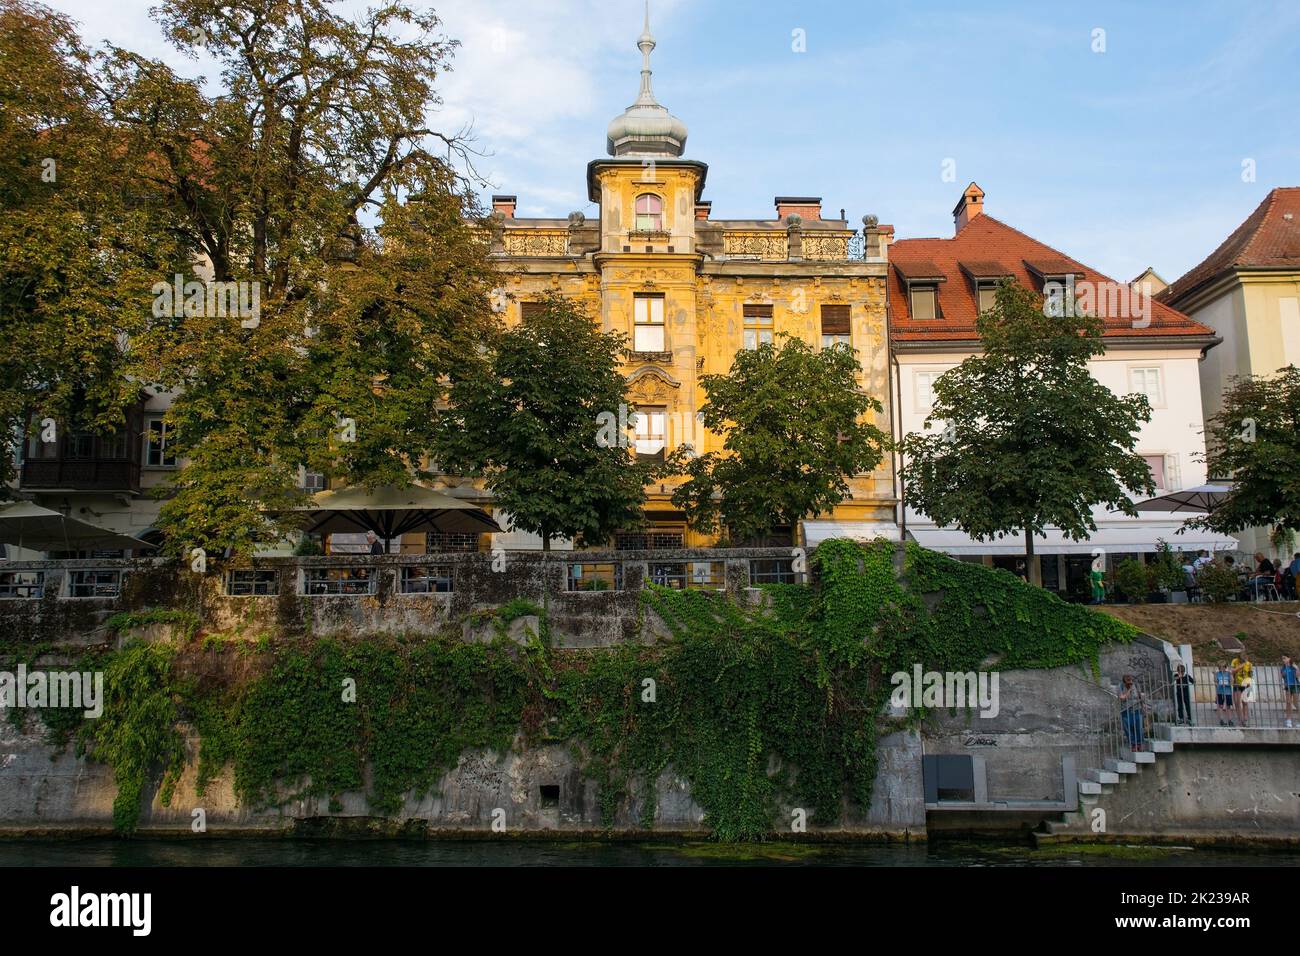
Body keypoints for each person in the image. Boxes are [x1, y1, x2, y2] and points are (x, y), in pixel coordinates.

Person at [1119, 675, 1145, 751]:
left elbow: (1140, 696)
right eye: (1128, 683)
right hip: (1126, 710)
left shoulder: (1136, 685)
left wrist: (1142, 706)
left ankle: (1139, 744)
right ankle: (1134, 744)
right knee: (1128, 728)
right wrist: (1129, 690)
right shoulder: (1120, 686)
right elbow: (1122, 698)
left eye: (1131, 682)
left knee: (1138, 727)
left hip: (1137, 709)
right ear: (1124, 682)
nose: (1130, 684)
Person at [1231, 654, 1253, 727]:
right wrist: (1240, 666)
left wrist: (1250, 684)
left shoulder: (1249, 664)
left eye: (1244, 660)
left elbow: (1251, 675)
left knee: (1245, 702)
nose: (1243, 661)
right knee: (1237, 702)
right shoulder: (1234, 661)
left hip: (1245, 684)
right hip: (1237, 684)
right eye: (1241, 660)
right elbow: (1232, 671)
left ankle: (1245, 719)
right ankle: (1240, 719)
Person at [1214, 662, 1234, 726]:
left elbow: (1231, 682)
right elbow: (1216, 683)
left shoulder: (1228, 673)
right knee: (1220, 706)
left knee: (1228, 707)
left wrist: (1231, 675)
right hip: (1220, 692)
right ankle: (1221, 720)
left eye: (1223, 667)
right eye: (1220, 667)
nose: (1221, 668)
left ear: (1225, 667)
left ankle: (1230, 720)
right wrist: (1214, 675)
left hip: (1228, 692)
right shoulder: (1217, 674)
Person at [1282, 655, 1299, 728]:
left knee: (1296, 703)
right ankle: (1289, 720)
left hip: (1295, 686)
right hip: (1287, 686)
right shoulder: (1283, 668)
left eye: (1284, 658)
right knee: (1288, 703)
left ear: (1289, 658)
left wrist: (1297, 668)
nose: (1283, 660)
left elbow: (1297, 676)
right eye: (1282, 658)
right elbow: (1282, 676)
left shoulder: (1294, 667)